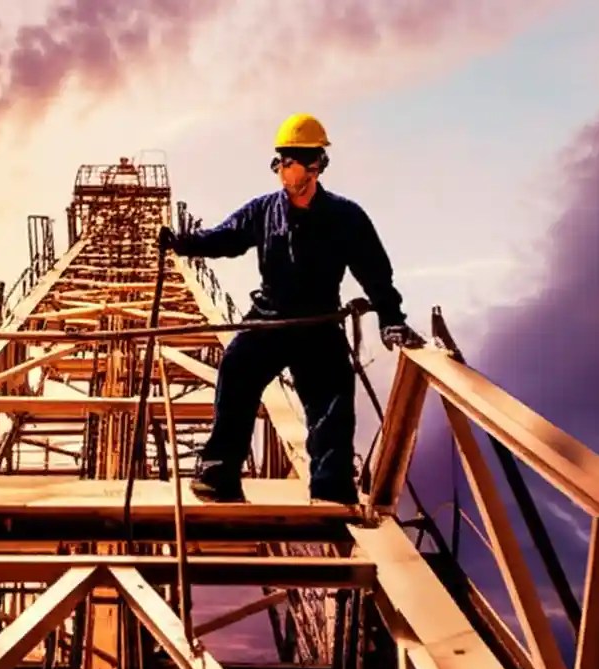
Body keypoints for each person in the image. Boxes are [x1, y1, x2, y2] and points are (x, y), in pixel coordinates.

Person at [158, 112, 424, 504]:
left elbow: (375, 273)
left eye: (288, 162)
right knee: (235, 371)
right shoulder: (264, 210)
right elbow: (226, 238)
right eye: (278, 162)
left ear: (315, 165)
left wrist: (392, 319)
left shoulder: (346, 217)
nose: (281, 170)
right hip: (269, 320)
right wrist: (184, 243)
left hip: (317, 325)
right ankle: (219, 474)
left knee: (333, 402)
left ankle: (332, 494)